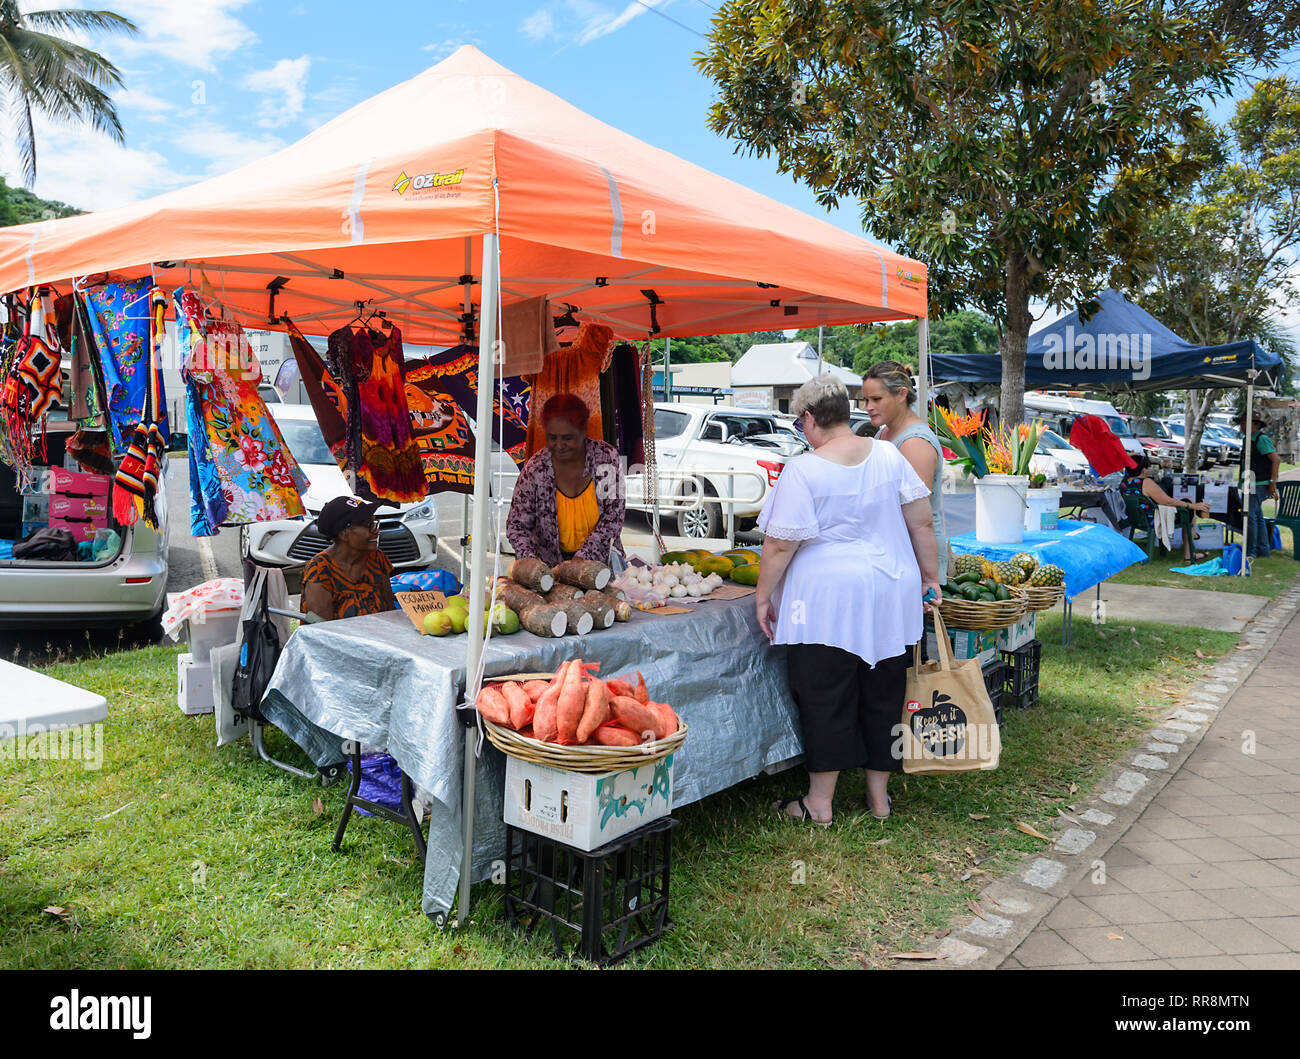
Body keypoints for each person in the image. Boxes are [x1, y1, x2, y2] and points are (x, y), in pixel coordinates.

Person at [757, 374, 940, 826]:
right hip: (890, 591)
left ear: (809, 418)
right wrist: (930, 579)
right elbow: (921, 523)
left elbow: (780, 545)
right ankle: (879, 798)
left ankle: (820, 803)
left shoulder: (804, 468)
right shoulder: (887, 454)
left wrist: (762, 598)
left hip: (827, 602)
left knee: (826, 695)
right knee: (884, 692)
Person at [507, 393, 625, 566]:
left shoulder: (606, 459)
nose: (559, 445)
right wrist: (530, 562)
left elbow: (614, 517)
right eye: (552, 438)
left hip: (602, 565)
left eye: (568, 438)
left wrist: (583, 557)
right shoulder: (535, 469)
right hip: (549, 572)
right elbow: (517, 525)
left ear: (583, 431)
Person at [861, 360, 948, 583]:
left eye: (876, 399)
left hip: (915, 557)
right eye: (866, 400)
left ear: (901, 395)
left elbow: (915, 516)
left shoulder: (915, 442)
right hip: (893, 551)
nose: (868, 406)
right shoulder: (882, 434)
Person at [300, 495, 398, 620]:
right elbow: (324, 630)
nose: (376, 530)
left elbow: (390, 610)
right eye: (369, 525)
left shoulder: (377, 558)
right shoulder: (320, 569)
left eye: (374, 523)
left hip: (380, 635)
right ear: (343, 533)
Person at [1119, 453, 1210, 561]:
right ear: (1143, 470)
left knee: (1188, 504)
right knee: (1188, 510)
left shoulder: (1124, 483)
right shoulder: (1146, 482)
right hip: (1154, 520)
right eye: (1148, 467)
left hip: (1137, 518)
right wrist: (1191, 506)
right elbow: (1166, 501)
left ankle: (1193, 534)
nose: (1150, 470)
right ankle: (1189, 553)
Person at [1239, 408, 1281, 559]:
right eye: (1241, 423)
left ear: (1255, 425)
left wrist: (1272, 483)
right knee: (1256, 516)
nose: (1242, 426)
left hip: (1259, 482)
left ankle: (1252, 551)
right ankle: (1263, 550)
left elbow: (1276, 460)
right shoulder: (1247, 439)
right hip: (1249, 482)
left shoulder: (1261, 439)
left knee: (1250, 517)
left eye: (1245, 423)